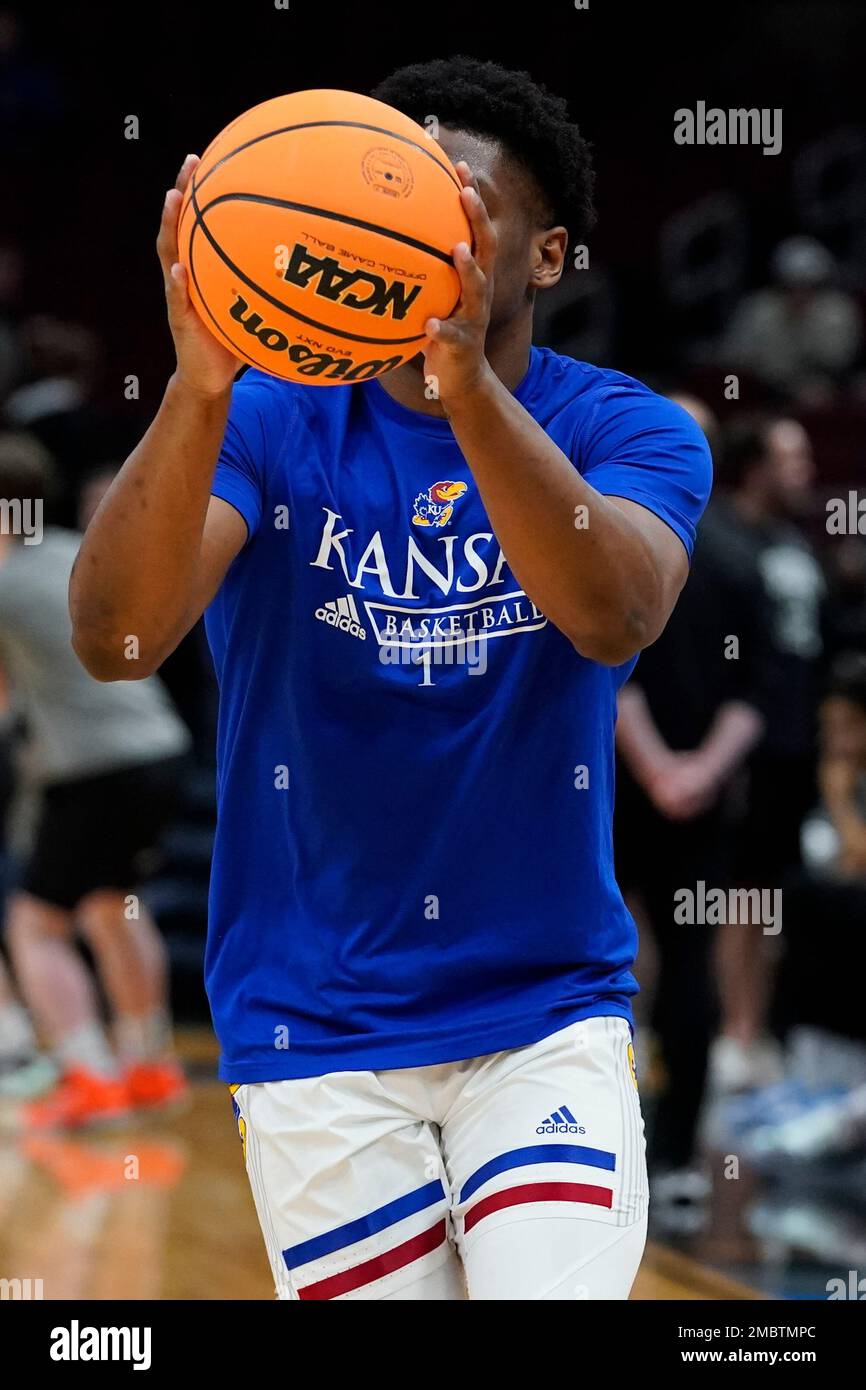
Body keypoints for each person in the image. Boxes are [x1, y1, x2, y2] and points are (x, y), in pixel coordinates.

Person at [70, 58, 711, 1301]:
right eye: (397, 197)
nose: (424, 230)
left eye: (459, 205)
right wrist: (200, 383)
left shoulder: (631, 429)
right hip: (313, 1019)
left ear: (542, 256)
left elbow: (611, 611)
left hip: (541, 1006)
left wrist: (464, 389)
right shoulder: (267, 418)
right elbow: (120, 642)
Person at [0, 431, 191, 1128]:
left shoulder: (5, 582)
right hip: (160, 749)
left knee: (35, 924)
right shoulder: (68, 558)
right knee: (115, 906)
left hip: (90, 767)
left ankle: (90, 1077)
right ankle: (150, 1066)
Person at [615, 394, 767, 1216]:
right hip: (684, 801)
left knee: (640, 969)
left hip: (630, 796)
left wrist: (666, 774)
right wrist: (694, 774)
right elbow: (757, 698)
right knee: (685, 966)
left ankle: (637, 1151)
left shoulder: (630, 544)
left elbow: (612, 673)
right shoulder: (743, 555)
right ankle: (667, 1154)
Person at [707, 414, 826, 1091]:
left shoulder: (794, 542)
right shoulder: (720, 540)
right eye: (792, 458)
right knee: (734, 894)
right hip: (742, 742)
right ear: (755, 465)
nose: (806, 471)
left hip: (793, 743)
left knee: (769, 892)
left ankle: (758, 1027)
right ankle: (734, 1030)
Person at [720, 236, 862, 402]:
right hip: (760, 387)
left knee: (817, 393)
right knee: (731, 394)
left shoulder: (838, 312)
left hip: (819, 387)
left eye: (808, 285)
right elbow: (734, 361)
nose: (799, 293)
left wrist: (801, 324)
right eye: (792, 285)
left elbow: (838, 360)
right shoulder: (758, 309)